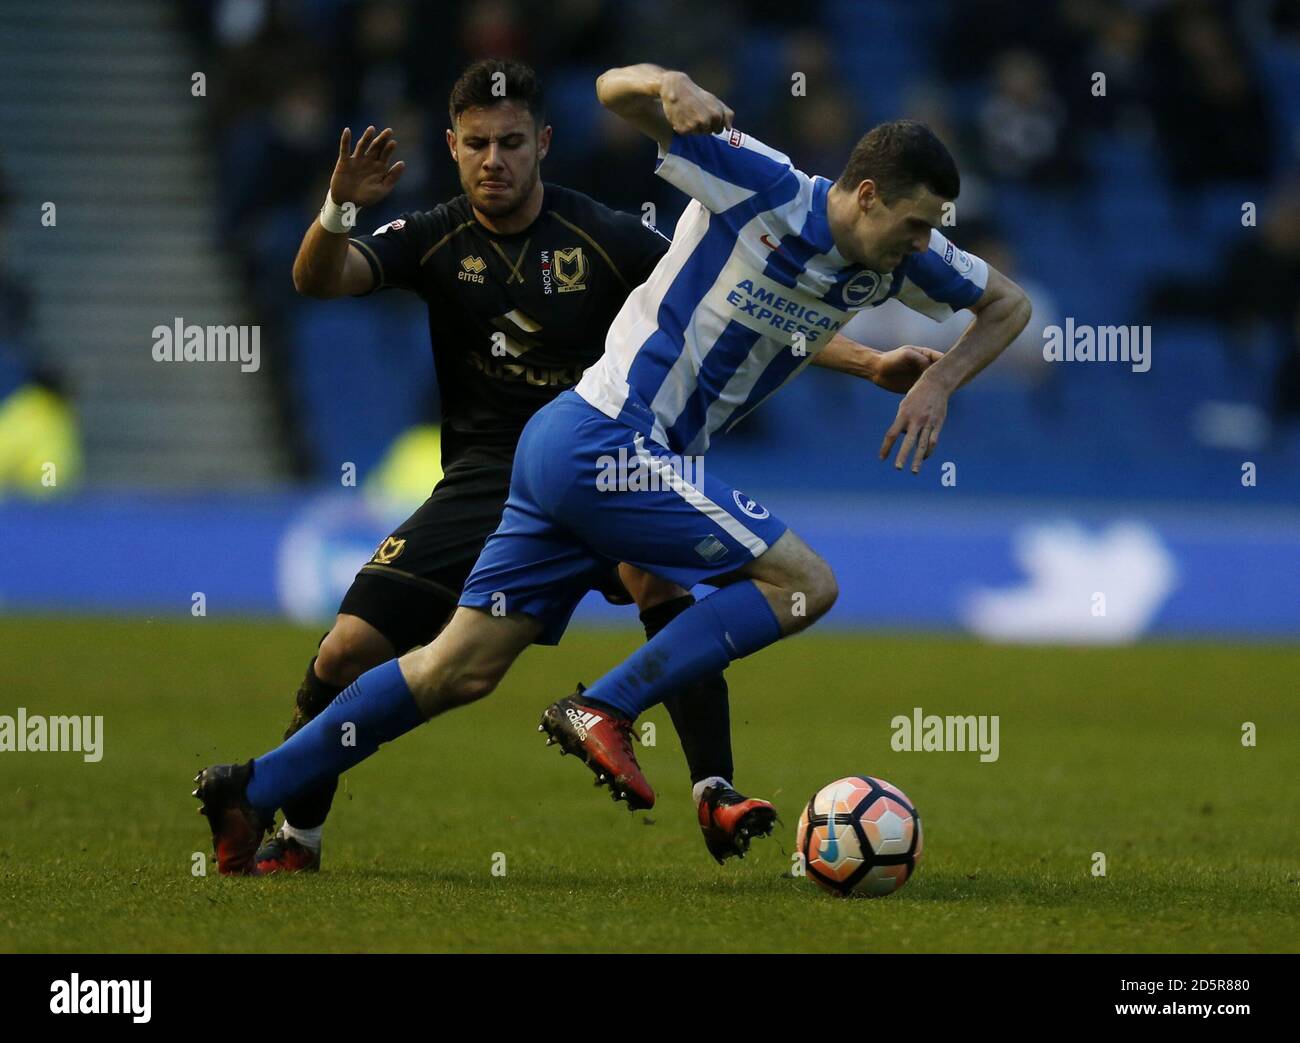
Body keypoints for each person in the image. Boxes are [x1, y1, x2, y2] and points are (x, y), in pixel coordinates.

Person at [196, 63, 1030, 876]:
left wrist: (934, 378)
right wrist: (670, 85)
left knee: (458, 667)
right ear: (869, 195)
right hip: (608, 439)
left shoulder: (899, 257)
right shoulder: (764, 183)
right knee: (804, 583)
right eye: (916, 225)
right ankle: (606, 707)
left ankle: (250, 786)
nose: (925, 244)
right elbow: (612, 91)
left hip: (565, 447)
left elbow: (1008, 304)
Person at [256, 58, 774, 873]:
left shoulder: (605, 237)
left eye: (511, 142)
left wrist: (862, 358)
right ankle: (298, 835)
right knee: (346, 649)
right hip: (485, 479)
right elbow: (317, 279)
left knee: (656, 578)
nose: (493, 159)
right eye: (476, 144)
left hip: (594, 454)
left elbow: (722, 307)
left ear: (544, 143)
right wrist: (340, 208)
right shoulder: (433, 236)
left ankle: (716, 790)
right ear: (452, 148)